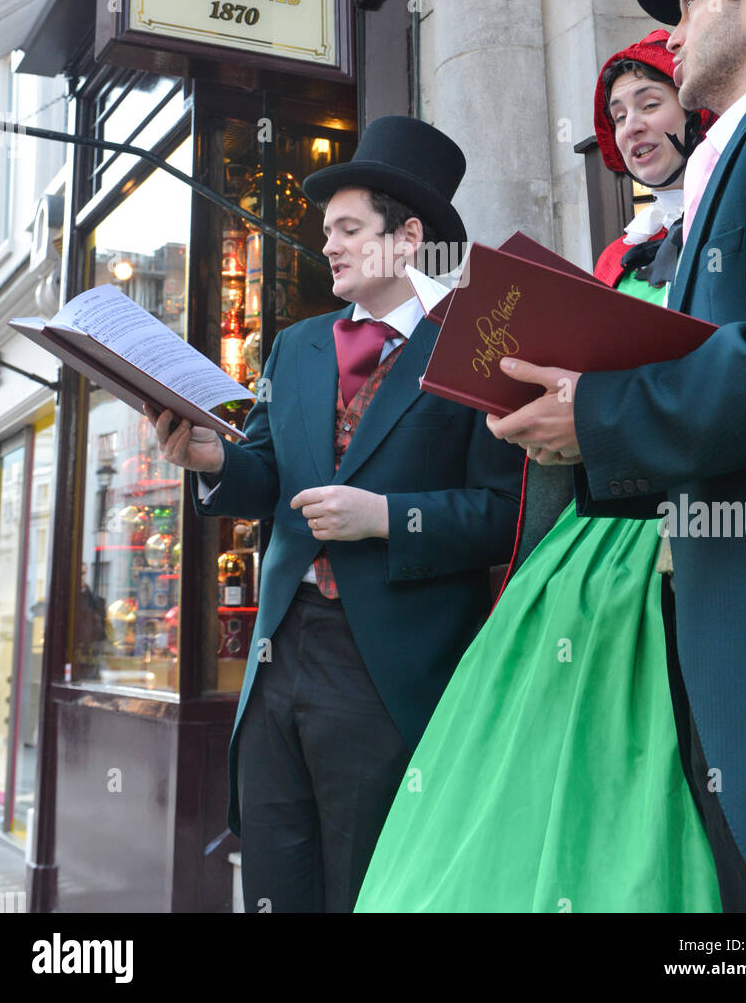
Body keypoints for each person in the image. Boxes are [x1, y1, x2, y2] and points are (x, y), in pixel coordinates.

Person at [484, 0, 746, 914]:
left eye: (690, 3)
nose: (674, 32)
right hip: (730, 640)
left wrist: (600, 414)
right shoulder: (742, 147)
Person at [354, 34, 722, 913]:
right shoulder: (620, 258)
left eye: (651, 103)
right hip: (589, 534)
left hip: (681, 529)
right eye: (618, 114)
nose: (632, 126)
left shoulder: (720, 234)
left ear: (693, 107)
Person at [146, 115, 523, 913]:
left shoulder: (478, 344)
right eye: (328, 231)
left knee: (368, 883)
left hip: (391, 667)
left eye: (349, 229)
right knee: (277, 882)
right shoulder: (297, 346)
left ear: (407, 237)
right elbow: (265, 476)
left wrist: (385, 516)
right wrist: (211, 463)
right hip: (280, 655)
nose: (330, 245)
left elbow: (504, 515)